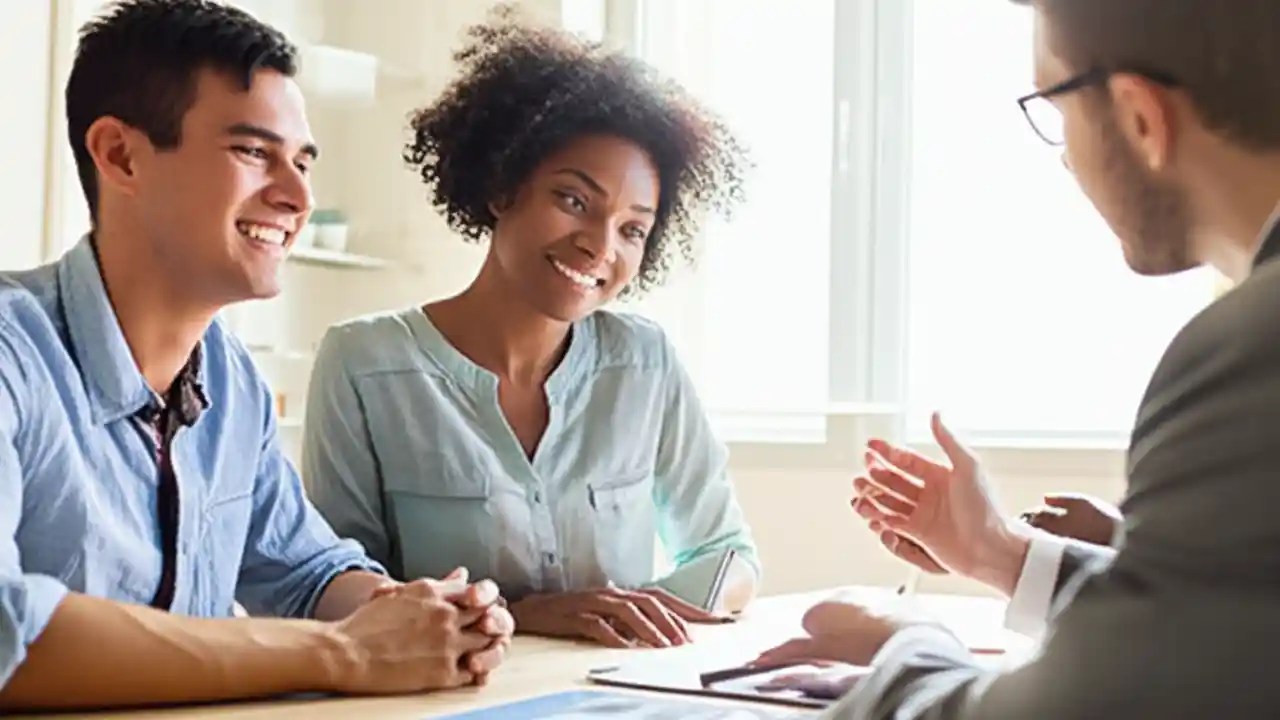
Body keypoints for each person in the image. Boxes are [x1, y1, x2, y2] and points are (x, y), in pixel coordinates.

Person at [757, 0, 1280, 717]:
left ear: (1138, 118)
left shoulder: (1247, 351)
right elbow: (1229, 619)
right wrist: (1000, 551)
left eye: (1054, 108)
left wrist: (908, 646)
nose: (1065, 156)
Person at [0, 0, 511, 711]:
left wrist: (421, 617)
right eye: (252, 152)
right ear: (120, 155)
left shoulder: (231, 380)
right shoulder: (10, 353)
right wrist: (348, 651)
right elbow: (5, 629)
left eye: (302, 161)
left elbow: (304, 571)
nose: (297, 196)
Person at [303, 10, 760, 650]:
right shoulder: (365, 363)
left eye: (633, 228)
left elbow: (728, 553)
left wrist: (626, 612)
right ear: (501, 185)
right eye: (573, 200)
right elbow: (336, 584)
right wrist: (529, 613)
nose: (600, 246)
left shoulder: (645, 363)